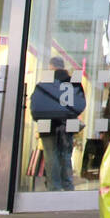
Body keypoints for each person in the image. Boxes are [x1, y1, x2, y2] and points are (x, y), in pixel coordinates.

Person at [40, 57, 78, 192]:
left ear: (52, 67)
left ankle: (54, 187)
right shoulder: (73, 82)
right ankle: (68, 185)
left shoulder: (47, 81)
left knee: (51, 155)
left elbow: (38, 103)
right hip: (67, 125)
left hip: (49, 125)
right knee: (66, 155)